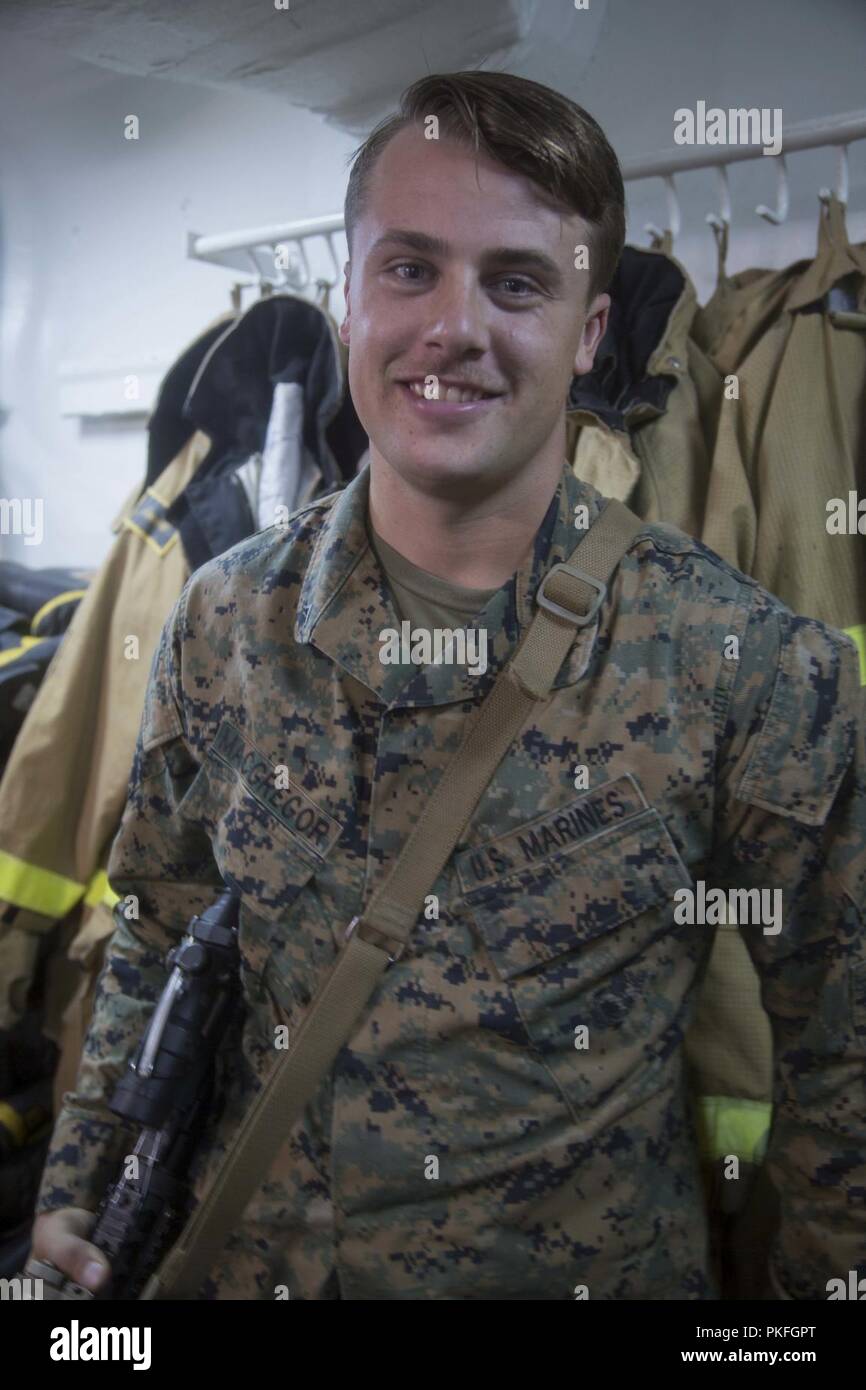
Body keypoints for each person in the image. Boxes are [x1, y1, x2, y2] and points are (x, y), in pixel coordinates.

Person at [30, 70, 866, 1301]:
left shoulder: (739, 660)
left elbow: (844, 1054)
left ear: (588, 335)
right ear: (348, 300)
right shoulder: (223, 621)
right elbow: (158, 928)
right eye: (408, 269)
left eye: (515, 282)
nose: (452, 327)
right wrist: (78, 1190)